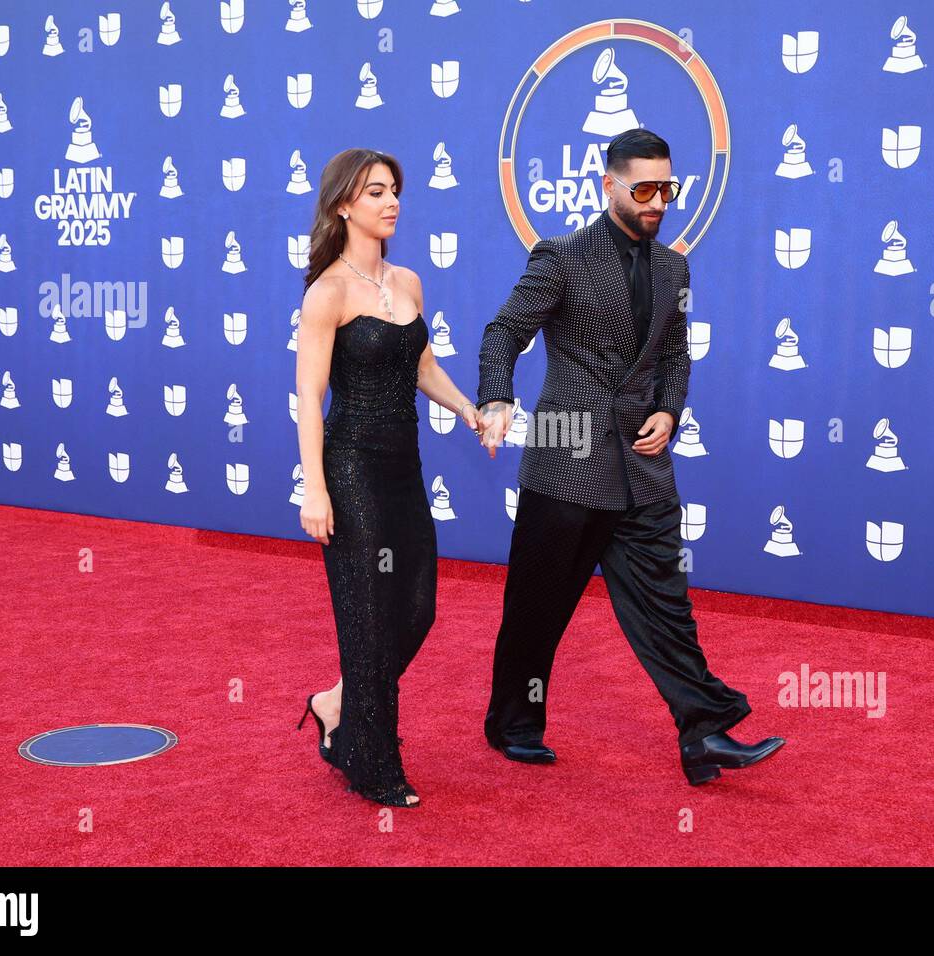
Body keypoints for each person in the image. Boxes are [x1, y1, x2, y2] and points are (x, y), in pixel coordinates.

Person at [474, 128, 786, 785]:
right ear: (607, 186)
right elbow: (504, 330)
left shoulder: (673, 266)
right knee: (539, 608)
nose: (658, 203)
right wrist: (498, 398)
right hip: (566, 453)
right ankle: (514, 724)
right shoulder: (559, 256)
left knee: (666, 604)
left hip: (641, 466)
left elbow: (674, 350)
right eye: (643, 189)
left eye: (667, 189)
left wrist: (670, 410)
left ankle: (704, 734)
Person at [295, 148, 482, 807]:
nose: (391, 201)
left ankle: (335, 702)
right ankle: (369, 761)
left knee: (417, 608)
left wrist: (466, 408)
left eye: (395, 189)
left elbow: (421, 365)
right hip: (351, 470)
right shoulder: (328, 292)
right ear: (344, 204)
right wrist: (314, 487)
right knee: (370, 618)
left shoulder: (407, 282)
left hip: (405, 470)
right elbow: (308, 395)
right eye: (376, 191)